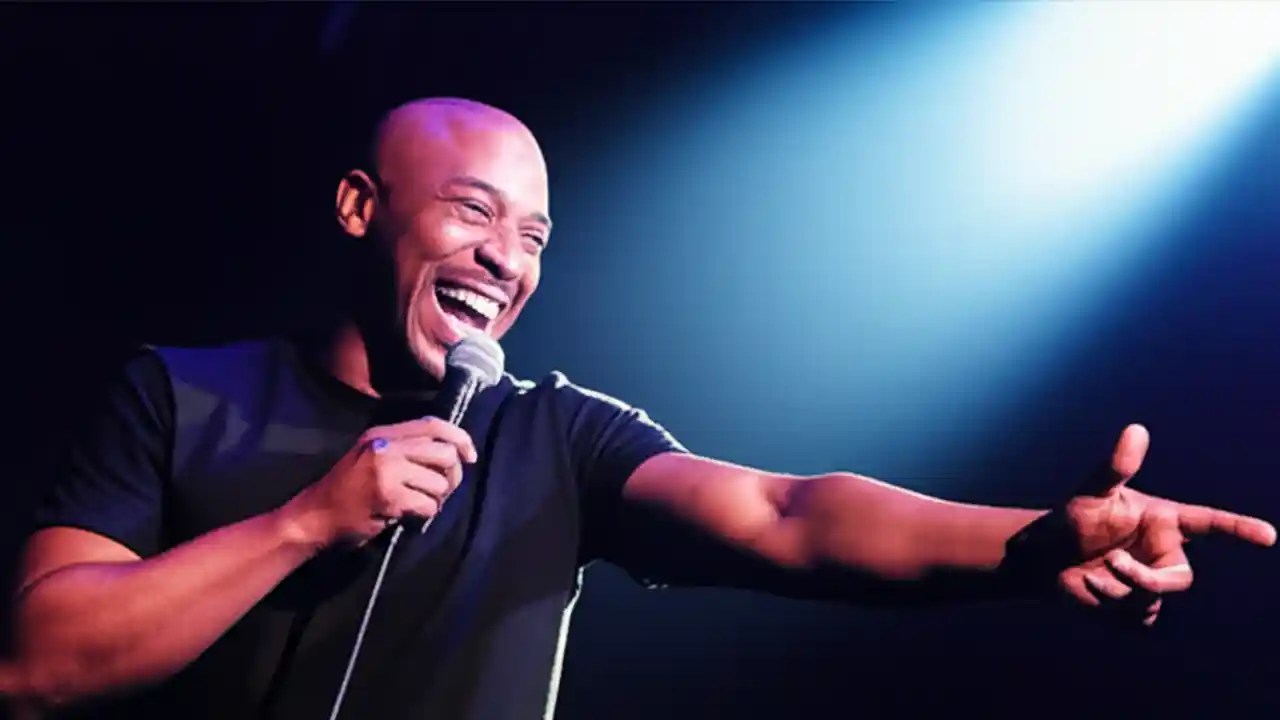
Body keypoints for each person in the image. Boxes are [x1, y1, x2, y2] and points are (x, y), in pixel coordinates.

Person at [3, 98, 1274, 720]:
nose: (507, 259)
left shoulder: (557, 433)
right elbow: (38, 667)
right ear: (358, 208)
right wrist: (303, 524)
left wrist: (1028, 543)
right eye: (472, 212)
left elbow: (785, 514)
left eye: (536, 235)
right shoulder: (178, 394)